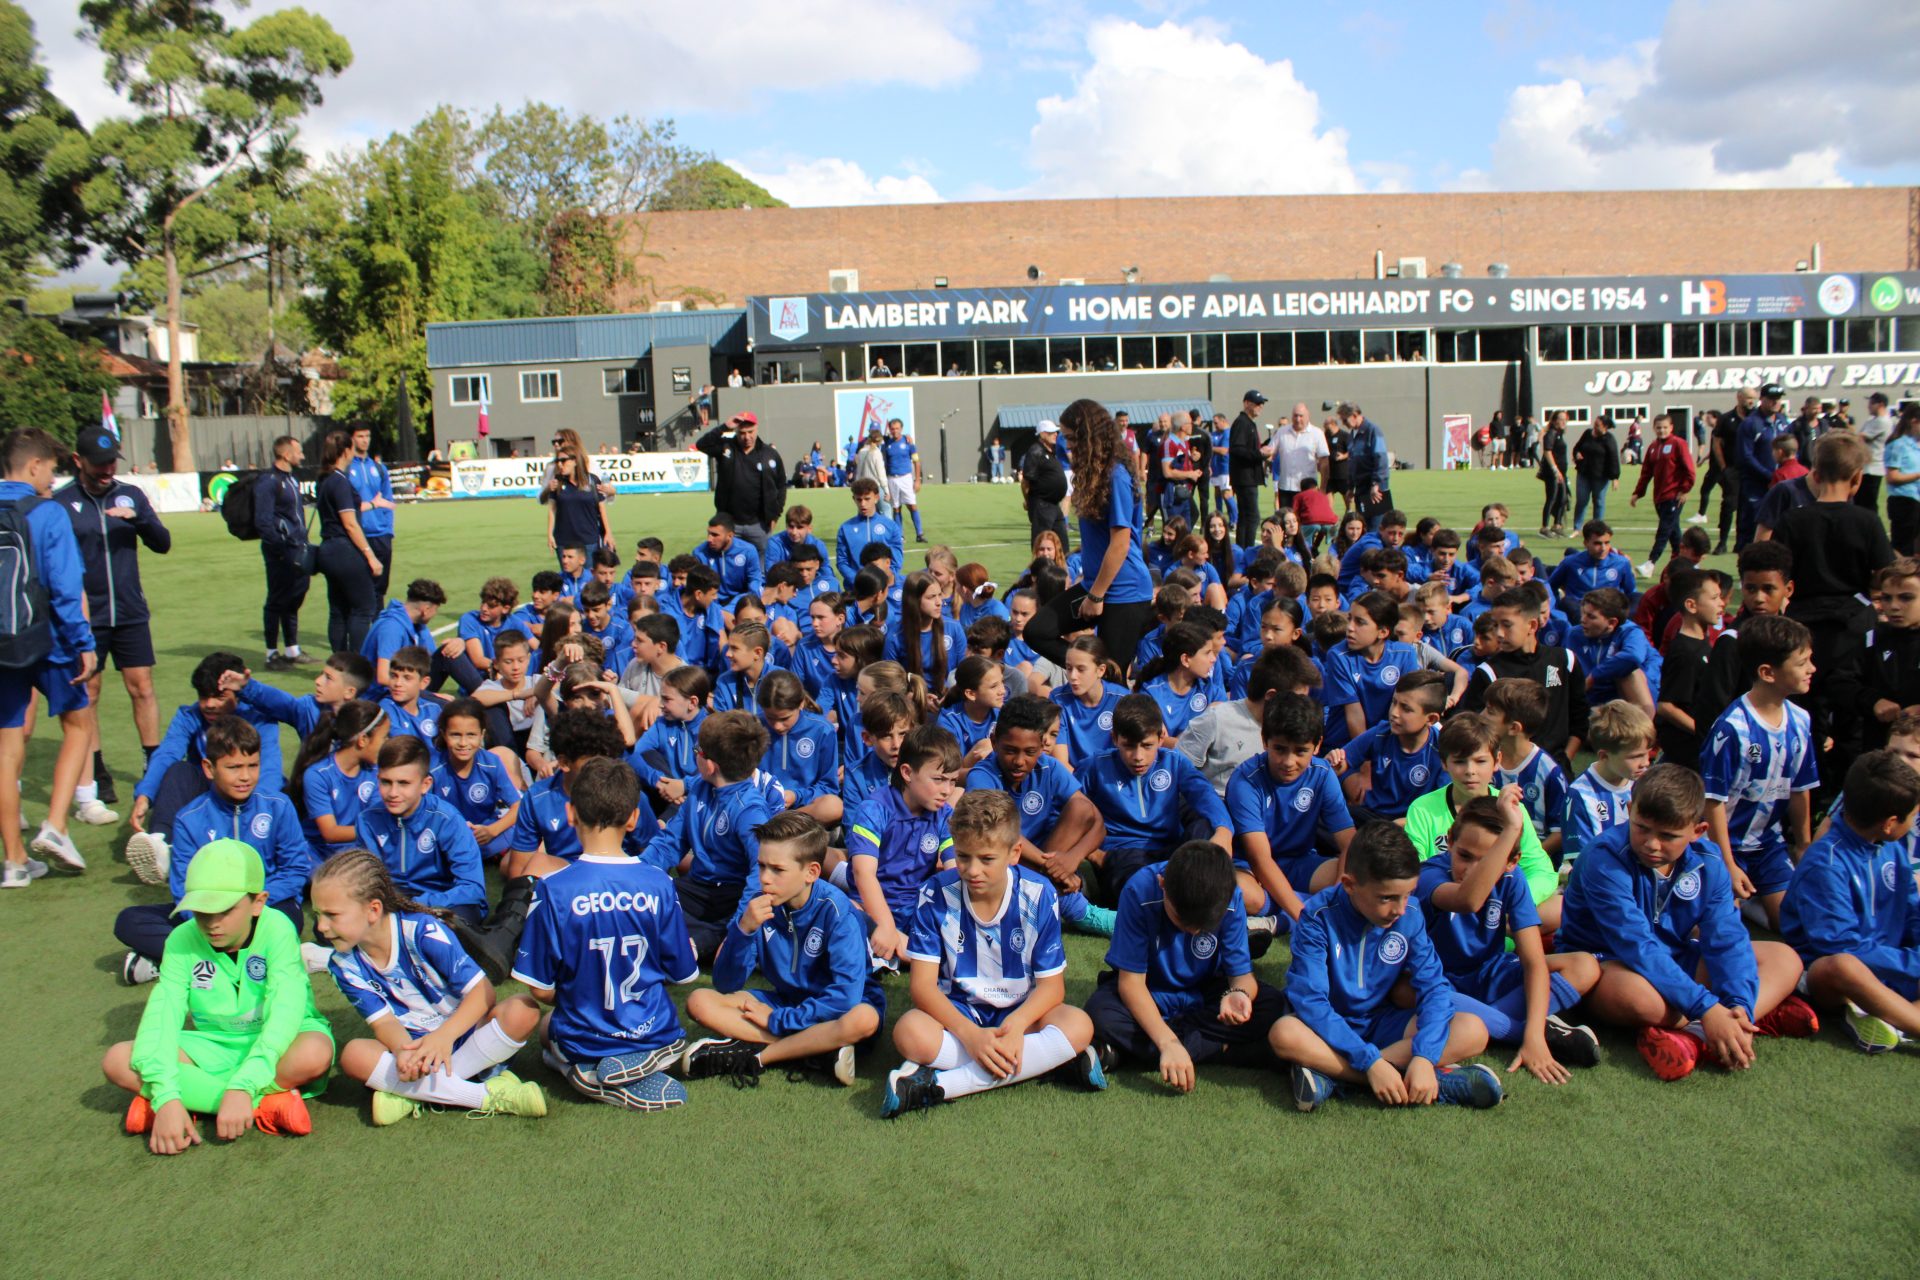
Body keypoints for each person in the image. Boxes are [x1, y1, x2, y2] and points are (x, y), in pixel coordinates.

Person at [1560, 765, 1815, 1082]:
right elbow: (1636, 946)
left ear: (1698, 830)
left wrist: (1739, 1005)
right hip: (1610, 965)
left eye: (1667, 836)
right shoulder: (1604, 858)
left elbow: (1727, 940)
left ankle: (1723, 1028)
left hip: (1676, 959)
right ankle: (1725, 1024)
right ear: (1629, 810)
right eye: (1642, 828)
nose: (1652, 843)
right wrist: (1706, 1008)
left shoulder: (1709, 862)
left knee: (1784, 958)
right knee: (1642, 1001)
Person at [882, 791, 1107, 1117]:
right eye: (963, 856)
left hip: (1022, 1017)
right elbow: (922, 988)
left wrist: (1015, 1026)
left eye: (987, 859)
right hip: (959, 1016)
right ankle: (1047, 1064)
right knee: (909, 1032)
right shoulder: (935, 893)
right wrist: (971, 1036)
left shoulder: (1038, 893)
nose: (973, 870)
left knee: (1078, 1024)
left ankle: (941, 1086)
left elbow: (1052, 988)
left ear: (1014, 853)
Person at [101, 840, 336, 1152]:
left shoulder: (278, 929)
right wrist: (167, 1097)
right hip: (214, 1045)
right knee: (118, 1059)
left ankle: (199, 1102)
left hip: (280, 1041)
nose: (212, 923)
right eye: (201, 911)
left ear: (258, 901)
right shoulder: (181, 939)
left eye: (224, 910)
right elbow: (163, 1015)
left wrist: (244, 1083)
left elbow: (285, 1011)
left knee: (315, 1052)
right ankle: (264, 1106)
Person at [1271, 822, 1504, 1112]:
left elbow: (1434, 989)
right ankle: (1419, 1082)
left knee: (1473, 1029)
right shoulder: (1318, 917)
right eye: (1387, 898)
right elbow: (1312, 1002)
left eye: (1407, 895)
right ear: (1349, 884)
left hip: (1382, 1024)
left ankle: (1335, 1076)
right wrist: (1371, 1063)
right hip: (1327, 1029)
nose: (1400, 908)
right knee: (1284, 1033)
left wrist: (1424, 1057)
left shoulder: (1410, 915)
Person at [512, 757, 699, 1110]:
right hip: (651, 1025)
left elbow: (538, 987)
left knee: (546, 1028)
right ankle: (650, 1052)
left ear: (570, 814)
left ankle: (584, 1071)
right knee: (649, 1020)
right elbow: (684, 974)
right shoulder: (659, 883)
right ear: (633, 818)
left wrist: (582, 990)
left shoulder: (553, 889)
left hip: (587, 1033)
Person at [311, 847, 547, 1124]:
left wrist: (443, 1038)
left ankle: (412, 1094)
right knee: (353, 1055)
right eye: (317, 914)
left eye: (332, 915)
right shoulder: (343, 964)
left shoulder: (422, 930)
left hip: (466, 1034)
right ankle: (487, 1095)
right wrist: (403, 1052)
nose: (321, 927)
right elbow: (383, 1024)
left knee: (524, 1010)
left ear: (373, 909)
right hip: (414, 1050)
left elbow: (483, 994)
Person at [682, 811, 883, 1087]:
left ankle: (760, 1056)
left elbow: (845, 998)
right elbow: (726, 982)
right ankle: (817, 1051)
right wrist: (744, 930)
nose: (765, 878)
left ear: (811, 872)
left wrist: (778, 1020)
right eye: (761, 866)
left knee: (864, 1019)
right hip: (789, 1003)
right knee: (700, 1001)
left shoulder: (838, 912)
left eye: (777, 869)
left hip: (836, 1012)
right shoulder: (760, 904)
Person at [1418, 794, 1602, 1080]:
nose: (1471, 870)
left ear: (1512, 862)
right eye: (1464, 856)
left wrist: (1533, 1038)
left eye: (1488, 860)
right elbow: (1469, 901)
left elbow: (1533, 961)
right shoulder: (1430, 873)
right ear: (1450, 841)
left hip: (1490, 976)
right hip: (1438, 985)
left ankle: (1498, 1027)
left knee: (1585, 965)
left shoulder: (1513, 880)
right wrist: (1530, 1035)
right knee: (1410, 994)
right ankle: (1530, 1030)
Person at [113, 715, 307, 984]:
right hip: (210, 917)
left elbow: (296, 869)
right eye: (234, 767)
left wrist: (248, 905)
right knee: (129, 921)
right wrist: (215, 915)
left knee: (288, 921)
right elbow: (182, 891)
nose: (245, 776)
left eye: (253, 765)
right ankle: (240, 963)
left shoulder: (278, 806)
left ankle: (190, 963)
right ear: (209, 767)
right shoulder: (189, 818)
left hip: (264, 908)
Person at [1086, 840, 1286, 1094]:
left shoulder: (1230, 894)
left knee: (1272, 1004)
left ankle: (1127, 1054)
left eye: (1204, 925)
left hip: (1204, 992)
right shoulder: (1139, 890)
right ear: (1162, 885)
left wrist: (1239, 994)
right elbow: (1131, 984)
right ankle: (1229, 1051)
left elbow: (1242, 976)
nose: (1194, 930)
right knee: (1101, 1013)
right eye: (1182, 920)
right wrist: (1168, 1042)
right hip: (1151, 991)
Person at [0, 428, 98, 887]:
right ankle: (57, 827)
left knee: (7, 745)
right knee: (78, 724)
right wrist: (84, 643)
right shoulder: (48, 513)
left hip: (3, 642)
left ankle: (15, 862)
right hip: (50, 641)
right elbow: (64, 587)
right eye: (51, 469)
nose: (53, 478)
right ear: (35, 466)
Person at [57, 427, 170, 812]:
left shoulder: (131, 494)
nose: (107, 470)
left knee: (142, 687)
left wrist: (137, 519)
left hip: (130, 610)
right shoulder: (62, 503)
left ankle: (152, 764)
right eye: (99, 463)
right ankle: (96, 770)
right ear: (78, 461)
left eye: (111, 463)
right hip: (87, 616)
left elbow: (162, 542)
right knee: (88, 694)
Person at [1780, 751, 1920, 1054]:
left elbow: (1912, 911)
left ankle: (1889, 1017)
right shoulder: (1825, 863)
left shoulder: (1892, 850)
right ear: (1890, 823)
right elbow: (1841, 947)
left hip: (1893, 967)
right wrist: (1913, 963)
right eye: (1913, 816)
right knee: (1843, 967)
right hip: (1833, 977)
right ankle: (1906, 1019)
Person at [1701, 614, 1818, 932]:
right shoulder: (1732, 729)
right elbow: (1712, 803)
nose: (1812, 669)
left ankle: (1756, 897)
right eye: (1803, 662)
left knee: (1793, 925)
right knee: (1722, 927)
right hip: (1724, 846)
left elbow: (1800, 788)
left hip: (1768, 845)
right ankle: (1738, 894)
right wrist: (1727, 864)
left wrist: (1804, 846)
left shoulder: (1801, 721)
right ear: (1767, 672)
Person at [1043, 398, 1157, 666]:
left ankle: (1098, 676)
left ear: (1089, 437)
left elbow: (1120, 544)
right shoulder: (1093, 475)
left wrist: (1096, 595)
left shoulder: (1116, 475)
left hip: (1123, 592)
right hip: (1096, 584)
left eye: (1072, 438)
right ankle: (1092, 671)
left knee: (1113, 678)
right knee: (1038, 632)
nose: (1067, 445)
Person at [312, 428, 384, 658]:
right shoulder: (340, 482)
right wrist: (369, 555)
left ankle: (339, 661)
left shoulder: (323, 480)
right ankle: (358, 664)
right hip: (345, 550)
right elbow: (350, 523)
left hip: (328, 549)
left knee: (338, 611)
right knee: (363, 609)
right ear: (346, 450)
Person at [253, 434, 312, 670]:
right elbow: (263, 522)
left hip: (298, 548)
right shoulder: (269, 481)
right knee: (277, 600)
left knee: (295, 597)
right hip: (281, 551)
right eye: (299, 451)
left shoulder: (291, 479)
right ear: (286, 454)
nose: (302, 455)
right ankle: (271, 653)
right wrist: (279, 547)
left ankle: (292, 649)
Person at [1630, 413, 1695, 576]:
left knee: (1664, 530)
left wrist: (1684, 489)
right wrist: (1638, 492)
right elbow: (1646, 472)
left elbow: (1690, 470)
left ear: (1671, 428)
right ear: (1654, 428)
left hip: (1674, 496)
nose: (1662, 430)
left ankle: (1650, 563)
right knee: (1674, 532)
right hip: (1659, 497)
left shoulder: (1679, 444)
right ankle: (1686, 564)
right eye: (1658, 428)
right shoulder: (1653, 447)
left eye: (1665, 427)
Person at [1734, 382, 1789, 550]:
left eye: (1778, 399)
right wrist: (1769, 475)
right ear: (1762, 399)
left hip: (1780, 483)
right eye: (1771, 399)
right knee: (1752, 528)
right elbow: (1746, 456)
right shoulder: (1751, 423)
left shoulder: (1782, 421)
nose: (1775, 402)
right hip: (1756, 485)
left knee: (1781, 528)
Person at [347, 423, 396, 596]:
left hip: (381, 536)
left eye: (367, 436)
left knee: (379, 591)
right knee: (359, 591)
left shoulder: (378, 468)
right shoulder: (346, 468)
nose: (365, 440)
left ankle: (377, 622)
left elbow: (388, 500)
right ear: (351, 439)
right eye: (360, 436)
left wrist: (388, 530)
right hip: (358, 536)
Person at [542, 448, 613, 561]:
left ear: (575, 461)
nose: (560, 464)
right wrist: (550, 534)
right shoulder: (557, 482)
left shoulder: (592, 480)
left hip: (589, 539)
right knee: (568, 577)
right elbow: (552, 510)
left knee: (589, 576)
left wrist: (608, 533)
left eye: (563, 460)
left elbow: (601, 508)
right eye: (557, 461)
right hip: (564, 541)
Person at [1226, 390, 1269, 547]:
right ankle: (1247, 547)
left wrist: (1261, 449)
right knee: (1251, 516)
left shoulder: (1248, 423)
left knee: (1246, 516)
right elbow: (1237, 449)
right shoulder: (1242, 422)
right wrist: (1259, 454)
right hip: (1245, 477)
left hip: (1248, 476)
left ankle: (1243, 547)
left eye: (1261, 404)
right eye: (1256, 403)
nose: (1260, 406)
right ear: (1246, 403)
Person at [1342, 403, 1393, 531]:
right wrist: (1350, 487)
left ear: (1354, 415)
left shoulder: (1373, 431)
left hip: (1374, 489)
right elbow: (1352, 462)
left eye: (1344, 419)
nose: (1343, 423)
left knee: (1377, 527)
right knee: (1364, 527)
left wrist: (1376, 484)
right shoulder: (1352, 435)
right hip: (1361, 488)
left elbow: (1380, 458)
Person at [1020, 420, 1071, 549]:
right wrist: (1028, 501)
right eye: (1051, 432)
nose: (1055, 434)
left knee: (1062, 544)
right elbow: (1026, 481)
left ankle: (1063, 567)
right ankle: (1040, 567)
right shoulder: (1036, 451)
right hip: (1042, 504)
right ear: (1042, 434)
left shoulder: (1050, 452)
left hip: (1054, 505)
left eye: (1056, 431)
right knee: (1041, 542)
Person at [879, 418, 925, 544]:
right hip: (892, 479)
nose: (895, 431)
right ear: (889, 429)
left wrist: (917, 480)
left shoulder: (909, 442)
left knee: (912, 505)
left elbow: (916, 461)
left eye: (897, 428)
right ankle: (900, 536)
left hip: (906, 478)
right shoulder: (886, 443)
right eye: (892, 429)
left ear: (901, 429)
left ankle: (919, 534)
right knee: (896, 508)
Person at [1570, 415, 1620, 526]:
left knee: (1598, 502)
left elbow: (1614, 458)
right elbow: (1577, 447)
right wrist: (1576, 453)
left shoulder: (1609, 440)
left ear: (1605, 427)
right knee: (1581, 501)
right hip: (1584, 474)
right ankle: (1577, 527)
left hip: (1600, 476)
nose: (1594, 427)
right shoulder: (1587, 433)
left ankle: (1597, 527)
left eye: (1598, 425)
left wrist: (1615, 477)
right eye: (1594, 424)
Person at [1857, 391, 1894, 512]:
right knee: (1861, 501)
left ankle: (1872, 528)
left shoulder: (1882, 421)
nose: (1868, 406)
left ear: (1880, 404)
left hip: (1873, 467)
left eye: (1871, 403)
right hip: (1866, 466)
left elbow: (1861, 437)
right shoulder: (1872, 420)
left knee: (1868, 503)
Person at [1536, 410, 1570, 538]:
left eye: (1565, 420)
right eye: (1560, 419)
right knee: (1552, 498)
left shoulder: (1559, 434)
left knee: (1562, 498)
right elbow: (1547, 452)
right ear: (1554, 421)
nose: (1563, 422)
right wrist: (1555, 470)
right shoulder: (1551, 434)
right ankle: (1544, 527)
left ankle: (1557, 525)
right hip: (1552, 473)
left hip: (1562, 472)